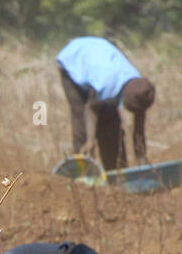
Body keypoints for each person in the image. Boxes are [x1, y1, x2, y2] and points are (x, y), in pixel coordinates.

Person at [56, 36, 155, 170]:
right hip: (74, 60)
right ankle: (82, 174)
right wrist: (90, 140)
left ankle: (117, 174)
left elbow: (139, 131)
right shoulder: (106, 84)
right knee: (82, 124)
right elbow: (91, 108)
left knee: (111, 126)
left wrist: (142, 160)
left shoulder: (140, 89)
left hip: (99, 60)